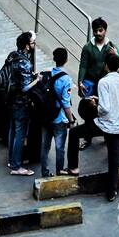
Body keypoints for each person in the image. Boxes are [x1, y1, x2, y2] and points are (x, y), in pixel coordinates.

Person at [66, 50, 119, 200]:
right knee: (113, 157)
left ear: (106, 67)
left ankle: (73, 167)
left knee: (74, 133)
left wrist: (96, 104)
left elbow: (105, 109)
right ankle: (112, 191)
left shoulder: (104, 82)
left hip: (105, 123)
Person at [39, 47, 76, 178]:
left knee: (45, 146)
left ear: (54, 59)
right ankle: (59, 171)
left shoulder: (46, 75)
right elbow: (66, 104)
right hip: (59, 118)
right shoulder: (66, 79)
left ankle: (45, 172)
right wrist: (71, 120)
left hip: (46, 116)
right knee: (60, 148)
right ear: (66, 60)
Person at [6, 31, 39, 176]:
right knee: (20, 133)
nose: (33, 45)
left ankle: (12, 159)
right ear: (27, 46)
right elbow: (25, 87)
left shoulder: (13, 56)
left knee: (13, 130)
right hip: (21, 102)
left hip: (12, 99)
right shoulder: (25, 63)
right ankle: (16, 166)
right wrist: (37, 80)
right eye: (32, 43)